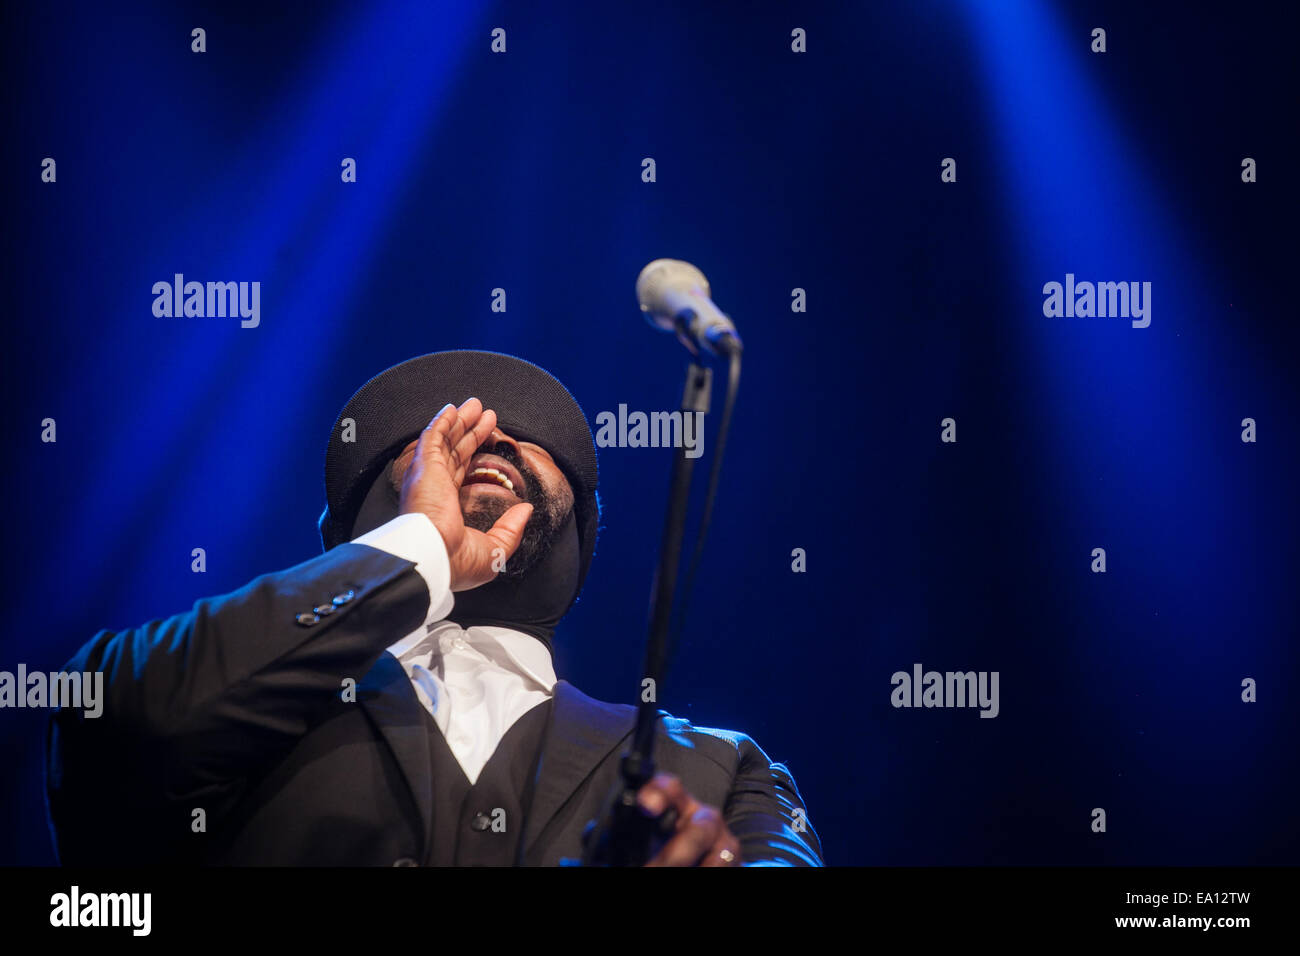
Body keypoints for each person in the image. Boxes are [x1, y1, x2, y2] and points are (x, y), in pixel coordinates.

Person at [45, 350, 823, 866]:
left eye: (524, 438)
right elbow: (116, 721)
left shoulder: (721, 769)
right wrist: (419, 555)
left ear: (583, 535)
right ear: (350, 533)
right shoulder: (243, 703)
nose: (486, 442)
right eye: (435, 448)